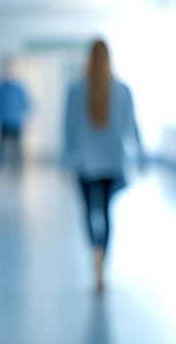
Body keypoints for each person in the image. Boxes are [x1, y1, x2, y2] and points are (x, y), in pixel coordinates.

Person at [62, 39, 144, 294]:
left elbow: (68, 129)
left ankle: (94, 256)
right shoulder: (123, 90)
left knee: (89, 210)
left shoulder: (75, 89)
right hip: (112, 161)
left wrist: (66, 161)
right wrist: (142, 155)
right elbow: (132, 127)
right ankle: (103, 262)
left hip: (85, 162)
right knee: (107, 212)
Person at [0, 58, 30, 170]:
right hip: (3, 121)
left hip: (16, 122)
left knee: (17, 147)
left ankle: (16, 168)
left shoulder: (19, 88)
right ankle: (2, 167)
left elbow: (26, 104)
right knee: (2, 147)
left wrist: (22, 115)